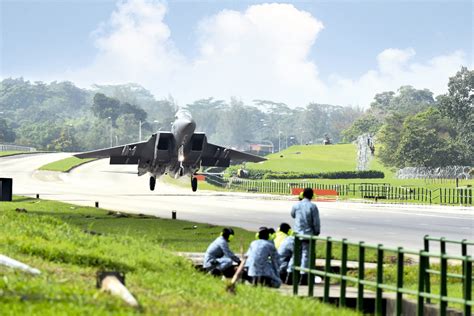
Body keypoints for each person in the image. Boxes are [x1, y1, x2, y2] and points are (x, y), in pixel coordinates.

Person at [290, 188, 320, 285]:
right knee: (306, 255)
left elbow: (293, 215)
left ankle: (289, 274)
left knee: (295, 254)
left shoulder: (296, 205)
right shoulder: (313, 206)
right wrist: (316, 232)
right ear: (311, 195)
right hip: (308, 234)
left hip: (297, 234)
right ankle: (303, 276)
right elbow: (316, 222)